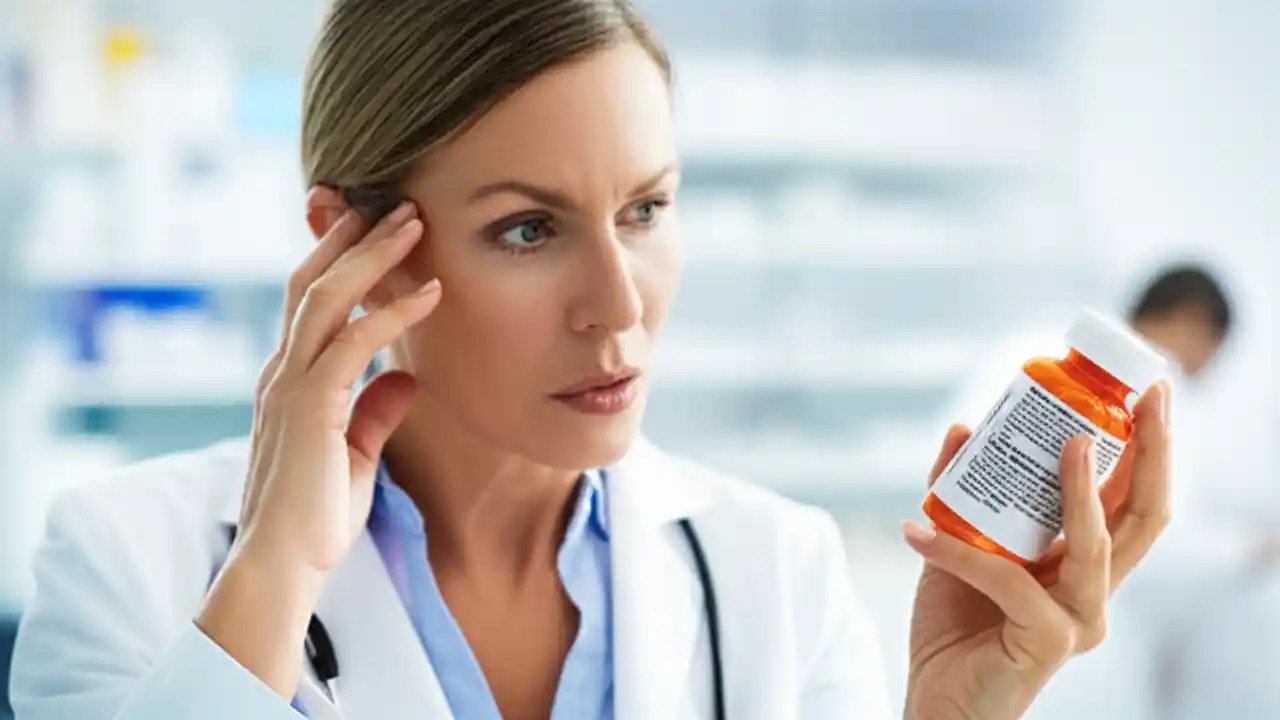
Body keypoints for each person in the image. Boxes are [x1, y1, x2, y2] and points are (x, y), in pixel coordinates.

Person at [8, 1, 1173, 718]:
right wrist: (268, 581)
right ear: (349, 246)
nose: (618, 307)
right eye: (529, 228)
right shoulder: (128, 560)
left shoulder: (776, 569)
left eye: (646, 211)